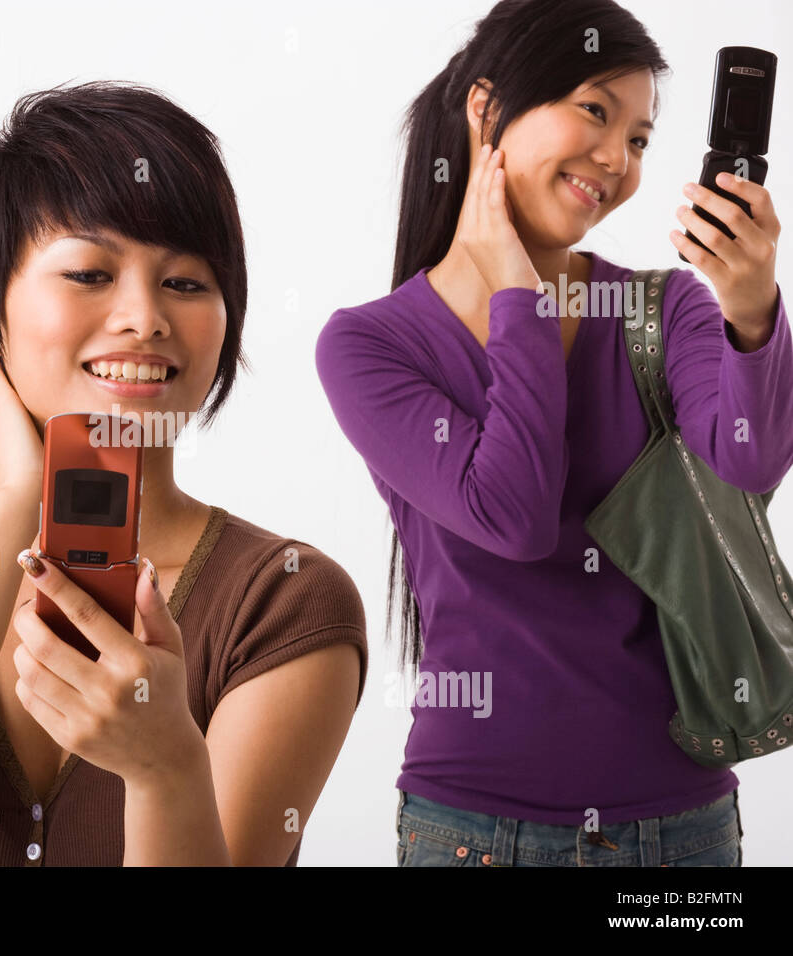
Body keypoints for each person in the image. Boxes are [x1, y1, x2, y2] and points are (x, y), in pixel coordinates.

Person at [0, 81, 367, 865]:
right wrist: (15, 501)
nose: (144, 317)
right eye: (89, 275)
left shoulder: (282, 600)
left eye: (185, 282)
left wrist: (164, 766)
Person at [317, 0, 790, 867]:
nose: (616, 160)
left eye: (641, 139)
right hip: (472, 831)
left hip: (679, 826)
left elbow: (749, 464)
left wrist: (754, 308)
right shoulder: (370, 345)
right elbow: (514, 515)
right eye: (595, 111)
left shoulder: (666, 306)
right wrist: (520, 302)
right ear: (486, 110)